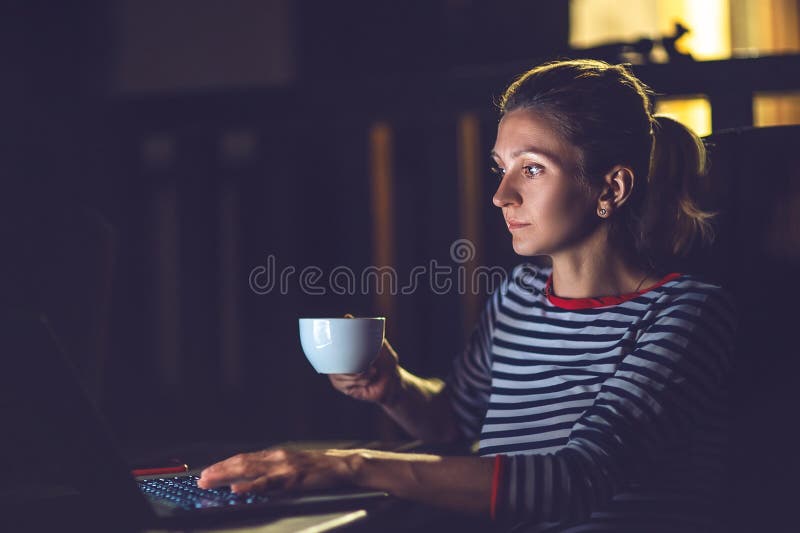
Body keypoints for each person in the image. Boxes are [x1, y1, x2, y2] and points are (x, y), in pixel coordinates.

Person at [198, 59, 737, 532]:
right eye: (502, 169)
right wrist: (395, 389)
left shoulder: (684, 314)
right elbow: (456, 422)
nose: (501, 195)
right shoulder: (520, 296)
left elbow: (576, 478)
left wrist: (349, 463)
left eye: (532, 169)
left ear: (611, 189)